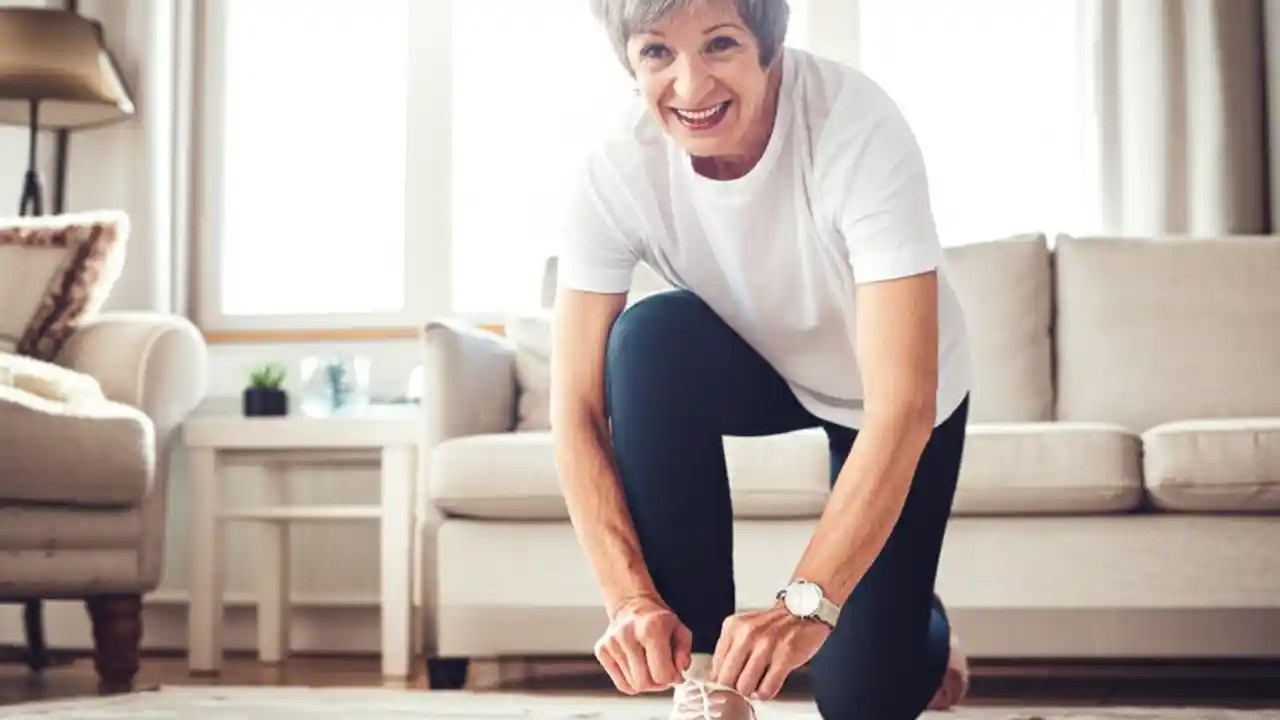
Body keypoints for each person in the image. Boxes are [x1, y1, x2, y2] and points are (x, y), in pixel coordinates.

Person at [551, 0, 973, 717]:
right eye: (658, 53)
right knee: (649, 342)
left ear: (770, 45)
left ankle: (918, 625)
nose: (690, 87)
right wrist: (629, 599)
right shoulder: (613, 169)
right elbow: (578, 411)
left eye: (719, 45)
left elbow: (902, 407)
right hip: (765, 361)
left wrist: (805, 603)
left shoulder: (855, 128)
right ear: (630, 61)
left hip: (896, 394)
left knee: (864, 694)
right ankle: (709, 676)